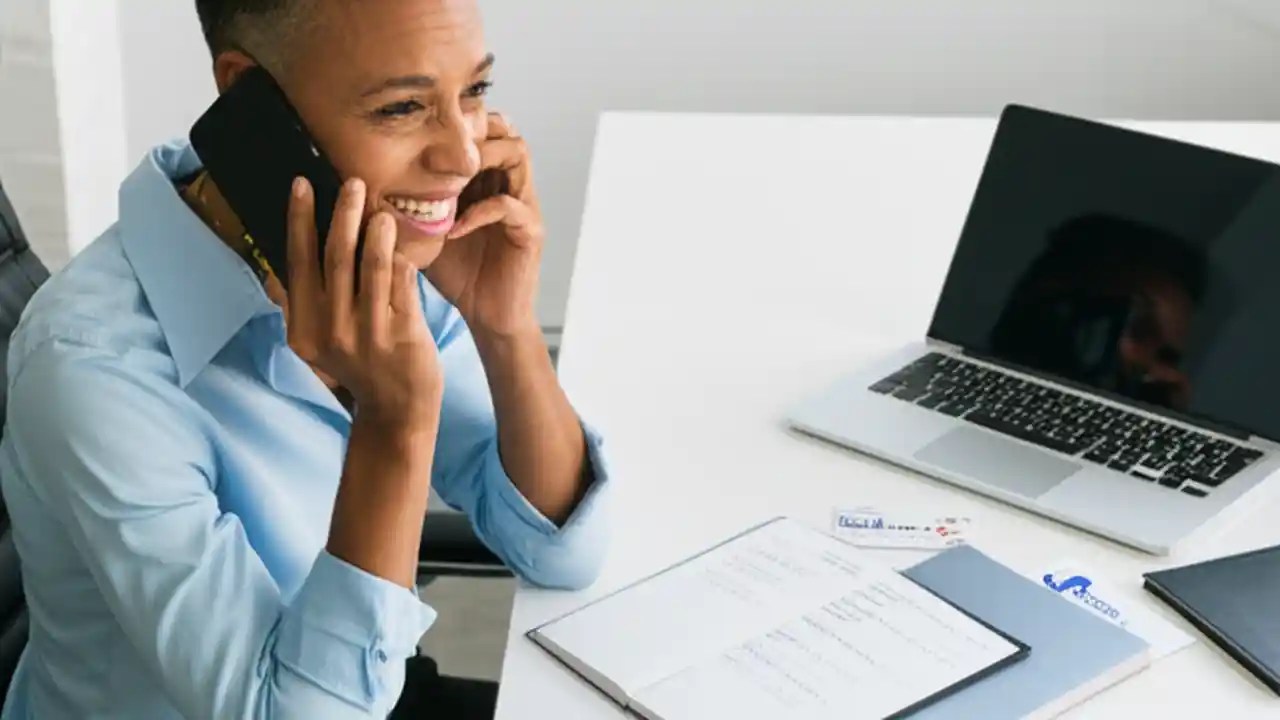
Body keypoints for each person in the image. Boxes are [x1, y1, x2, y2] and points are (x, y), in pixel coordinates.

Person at [0, 0, 612, 718]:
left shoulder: (374, 244)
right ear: (249, 97)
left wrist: (502, 325)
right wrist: (395, 421)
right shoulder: (93, 370)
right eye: (403, 107)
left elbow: (564, 552)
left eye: (473, 92)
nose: (464, 156)